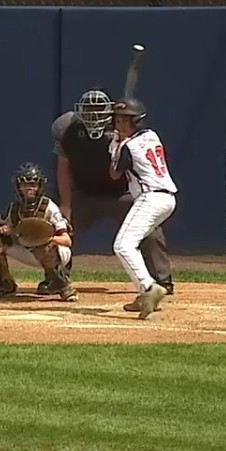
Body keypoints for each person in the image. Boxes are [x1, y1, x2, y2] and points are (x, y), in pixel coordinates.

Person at [52, 88, 173, 295]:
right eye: (89, 110)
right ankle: (57, 279)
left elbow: (117, 172)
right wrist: (65, 204)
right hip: (85, 194)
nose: (94, 114)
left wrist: (119, 143)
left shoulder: (125, 132)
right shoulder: (68, 128)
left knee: (150, 229)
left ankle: (161, 279)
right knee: (58, 224)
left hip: (123, 195)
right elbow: (63, 167)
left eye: (99, 109)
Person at [109, 98, 178, 319]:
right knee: (135, 243)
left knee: (122, 246)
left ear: (136, 121)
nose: (119, 124)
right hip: (167, 199)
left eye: (125, 120)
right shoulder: (151, 135)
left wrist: (115, 147)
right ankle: (145, 293)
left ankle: (149, 288)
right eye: (118, 120)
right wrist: (120, 142)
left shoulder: (127, 147)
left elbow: (114, 174)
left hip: (151, 198)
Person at [0, 163, 76, 301]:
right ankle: (4, 285)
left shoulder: (49, 207)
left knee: (41, 244)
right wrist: (1, 230)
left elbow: (67, 240)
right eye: (24, 185)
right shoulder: (14, 208)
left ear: (39, 186)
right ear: (18, 187)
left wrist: (48, 238)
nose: (29, 188)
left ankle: (62, 284)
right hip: (26, 250)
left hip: (56, 253)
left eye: (33, 184)